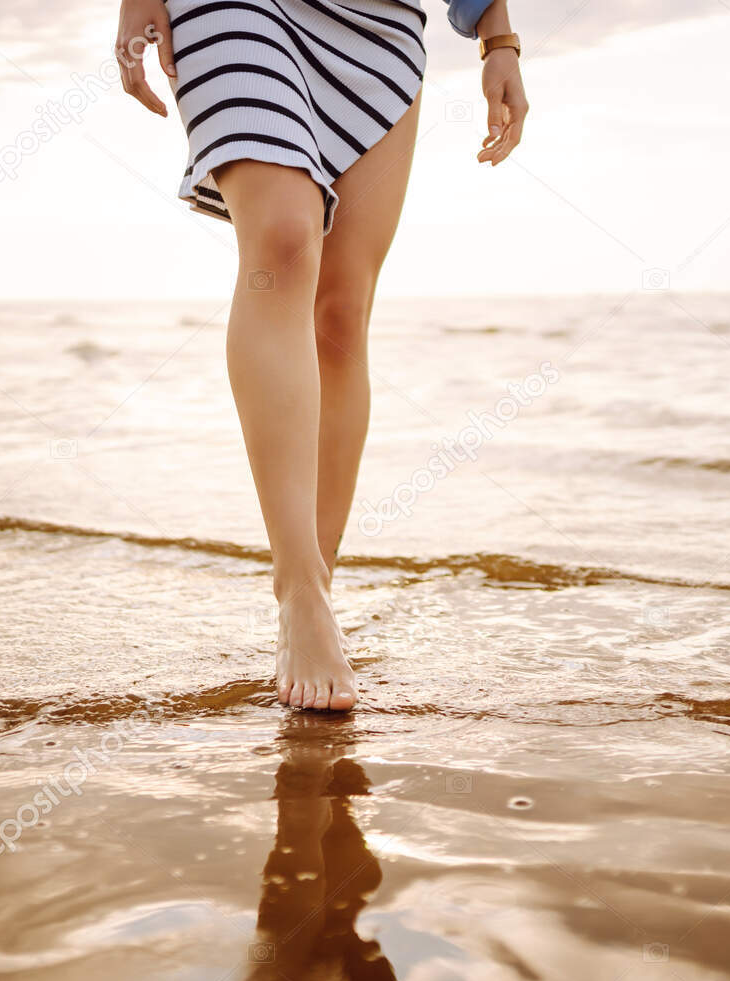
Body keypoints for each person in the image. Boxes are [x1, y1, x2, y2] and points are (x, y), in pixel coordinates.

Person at [116, 0, 529, 710]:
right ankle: (299, 593)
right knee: (280, 239)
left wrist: (500, 37)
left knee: (341, 309)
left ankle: (319, 585)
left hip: (375, 21)